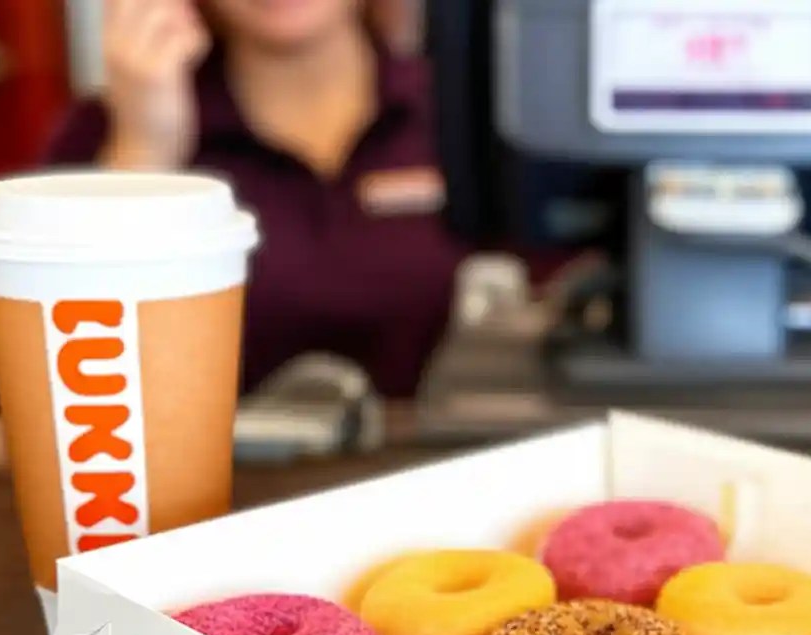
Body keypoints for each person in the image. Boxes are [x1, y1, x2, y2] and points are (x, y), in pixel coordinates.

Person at [44, 0, 514, 399]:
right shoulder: (117, 129)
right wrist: (145, 156)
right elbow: (45, 353)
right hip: (216, 489)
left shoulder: (473, 109)